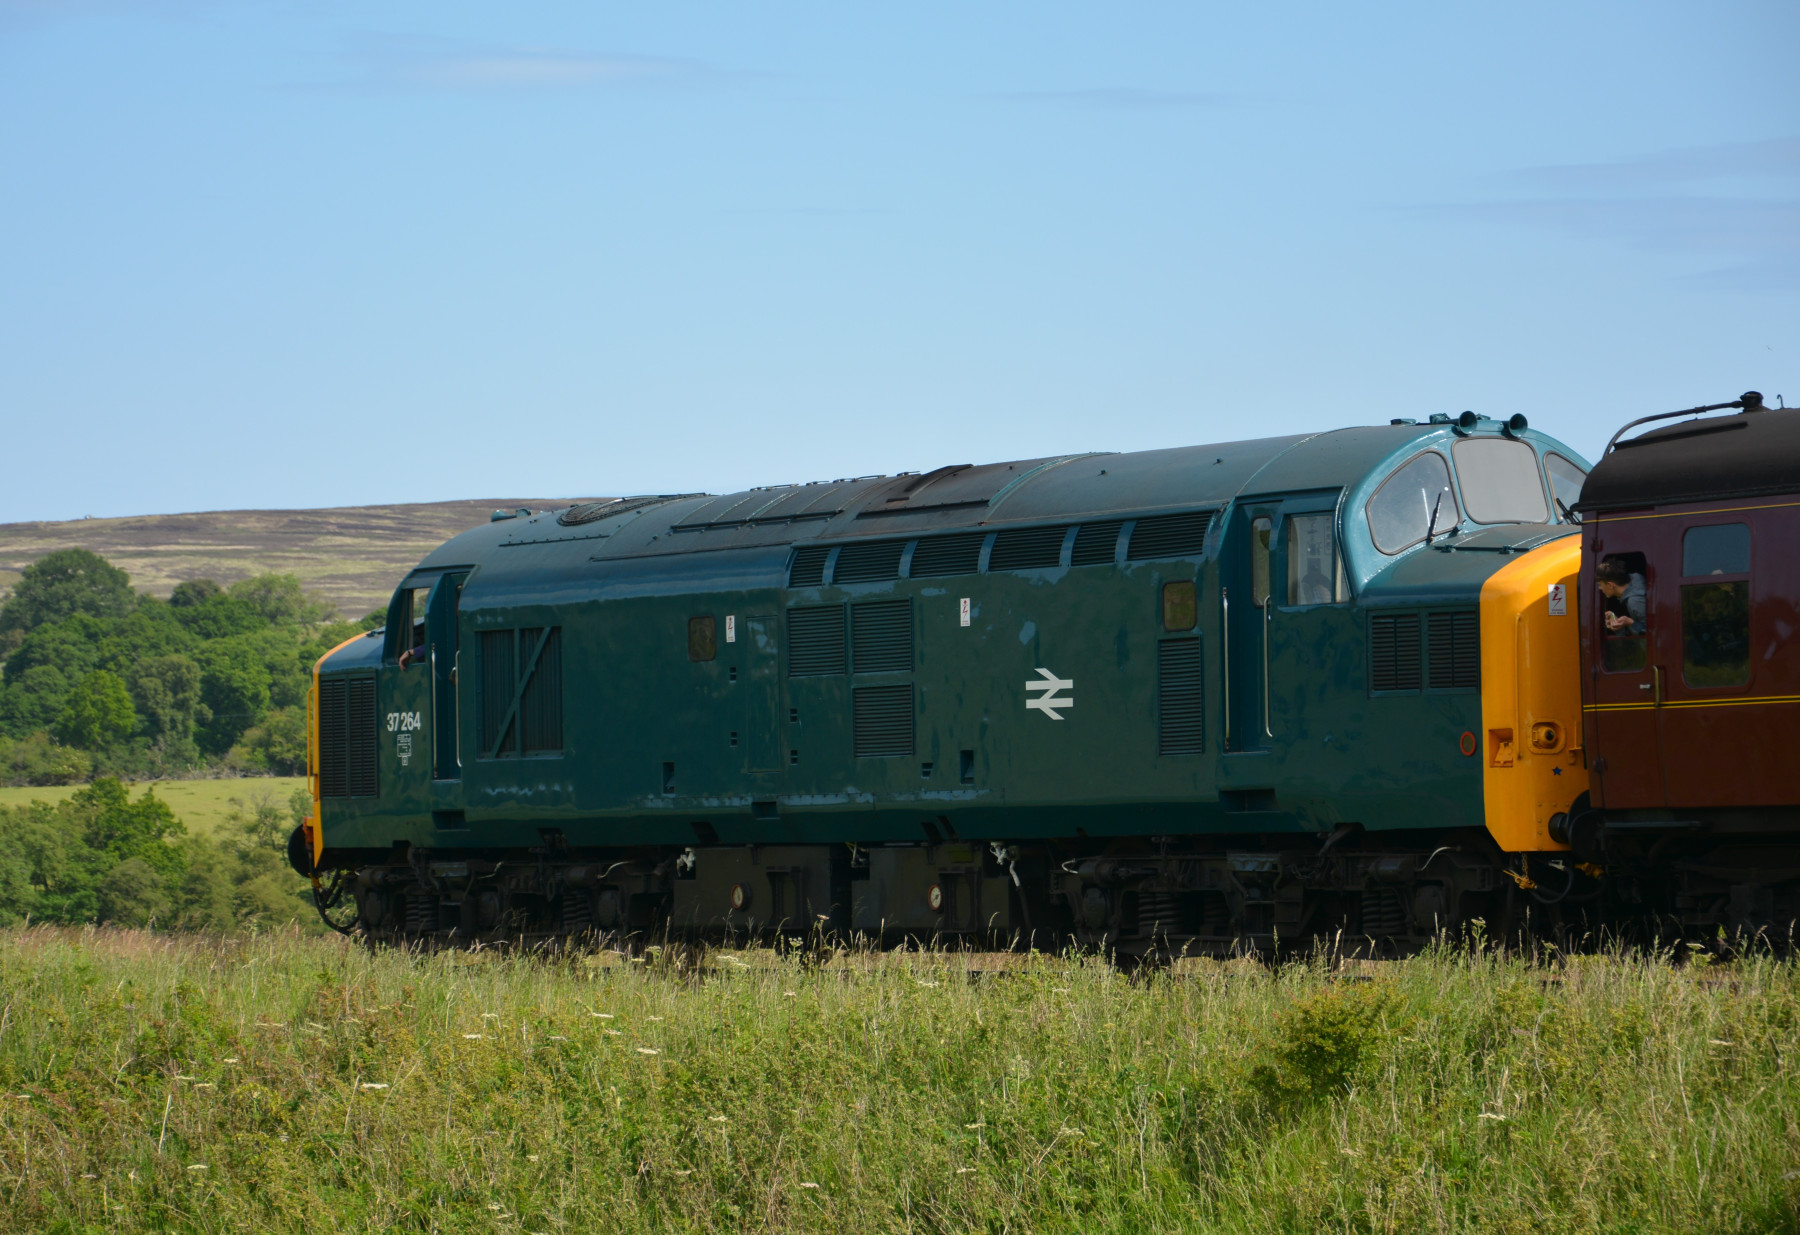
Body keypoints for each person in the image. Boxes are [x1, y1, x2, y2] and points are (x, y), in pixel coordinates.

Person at [1597, 559, 1647, 635]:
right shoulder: (1636, 577)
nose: (1600, 588)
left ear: (1610, 585)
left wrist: (1630, 622)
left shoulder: (1635, 602)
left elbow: (1652, 632)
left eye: (1600, 585)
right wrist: (1619, 627)